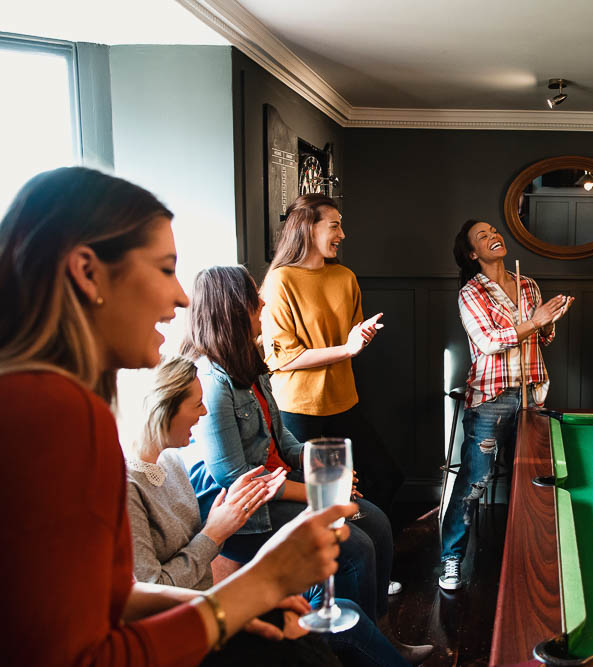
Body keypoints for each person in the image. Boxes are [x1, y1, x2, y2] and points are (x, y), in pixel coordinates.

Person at [0, 166, 354, 665]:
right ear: (87, 272)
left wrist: (218, 601)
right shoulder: (52, 416)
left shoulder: (49, 400)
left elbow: (106, 598)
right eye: (165, 269)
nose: (182, 298)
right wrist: (259, 583)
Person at [182, 265, 431, 662]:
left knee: (378, 522)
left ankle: (379, 635)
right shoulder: (212, 384)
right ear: (231, 308)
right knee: (354, 546)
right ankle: (344, 651)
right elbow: (234, 477)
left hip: (280, 489)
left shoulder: (250, 367)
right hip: (244, 513)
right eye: (253, 297)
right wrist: (319, 492)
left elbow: (285, 442)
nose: (262, 303)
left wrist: (328, 471)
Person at [125, 355, 408, 666]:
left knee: (338, 606)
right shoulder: (127, 489)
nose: (204, 412)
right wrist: (215, 534)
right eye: (196, 405)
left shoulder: (170, 461)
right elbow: (152, 593)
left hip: (216, 605)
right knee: (345, 618)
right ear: (163, 409)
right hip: (190, 633)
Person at [439, 219, 573, 590]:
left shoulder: (528, 284)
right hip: (491, 398)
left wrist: (550, 321)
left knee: (529, 485)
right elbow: (490, 342)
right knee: (474, 484)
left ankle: (524, 560)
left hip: (533, 394)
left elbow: (540, 338)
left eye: (494, 232)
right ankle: (451, 559)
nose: (493, 237)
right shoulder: (471, 292)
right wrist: (536, 321)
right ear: (472, 253)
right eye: (482, 236)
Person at [259, 193, 404, 519]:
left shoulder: (345, 278)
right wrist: (348, 349)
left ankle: (367, 559)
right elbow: (282, 359)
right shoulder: (280, 280)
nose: (342, 235)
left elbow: (350, 341)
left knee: (384, 477)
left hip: (343, 401)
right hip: (297, 410)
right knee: (320, 500)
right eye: (335, 226)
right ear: (308, 228)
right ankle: (338, 564)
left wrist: (360, 339)